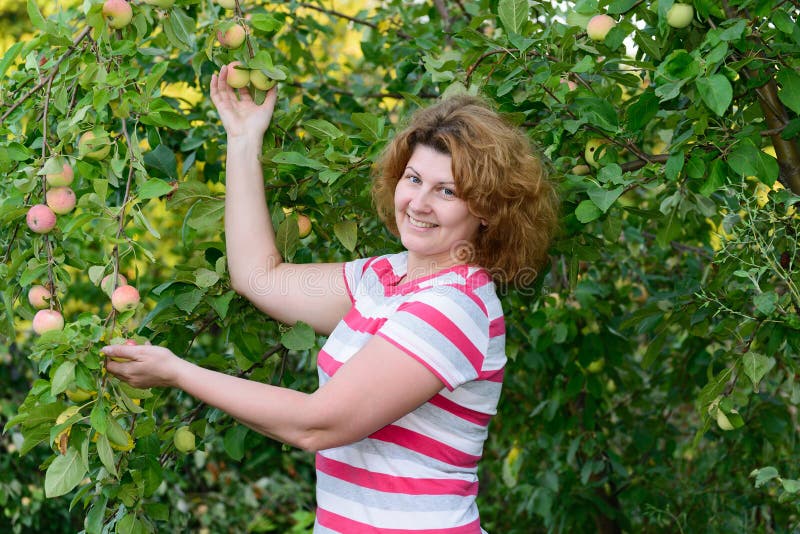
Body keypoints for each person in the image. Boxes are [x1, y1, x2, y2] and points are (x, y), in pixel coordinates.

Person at [103, 62, 559, 533]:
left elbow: (316, 424)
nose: (419, 203)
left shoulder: (455, 307)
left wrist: (179, 372)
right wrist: (242, 141)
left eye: (447, 190)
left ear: (484, 208)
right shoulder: (385, 277)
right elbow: (258, 277)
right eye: (414, 179)